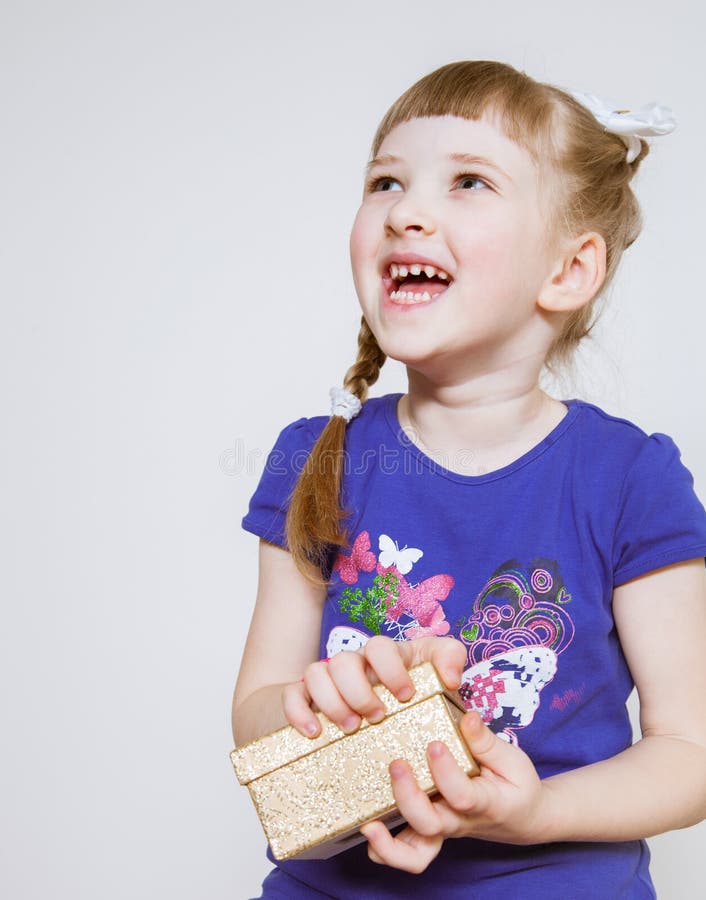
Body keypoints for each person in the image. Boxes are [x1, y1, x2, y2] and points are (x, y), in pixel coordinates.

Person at [230, 60, 706, 898]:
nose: (406, 212)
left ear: (569, 270)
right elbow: (254, 717)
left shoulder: (631, 478)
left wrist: (530, 813)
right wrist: (316, 702)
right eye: (385, 181)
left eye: (469, 183)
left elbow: (689, 755)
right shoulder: (317, 459)